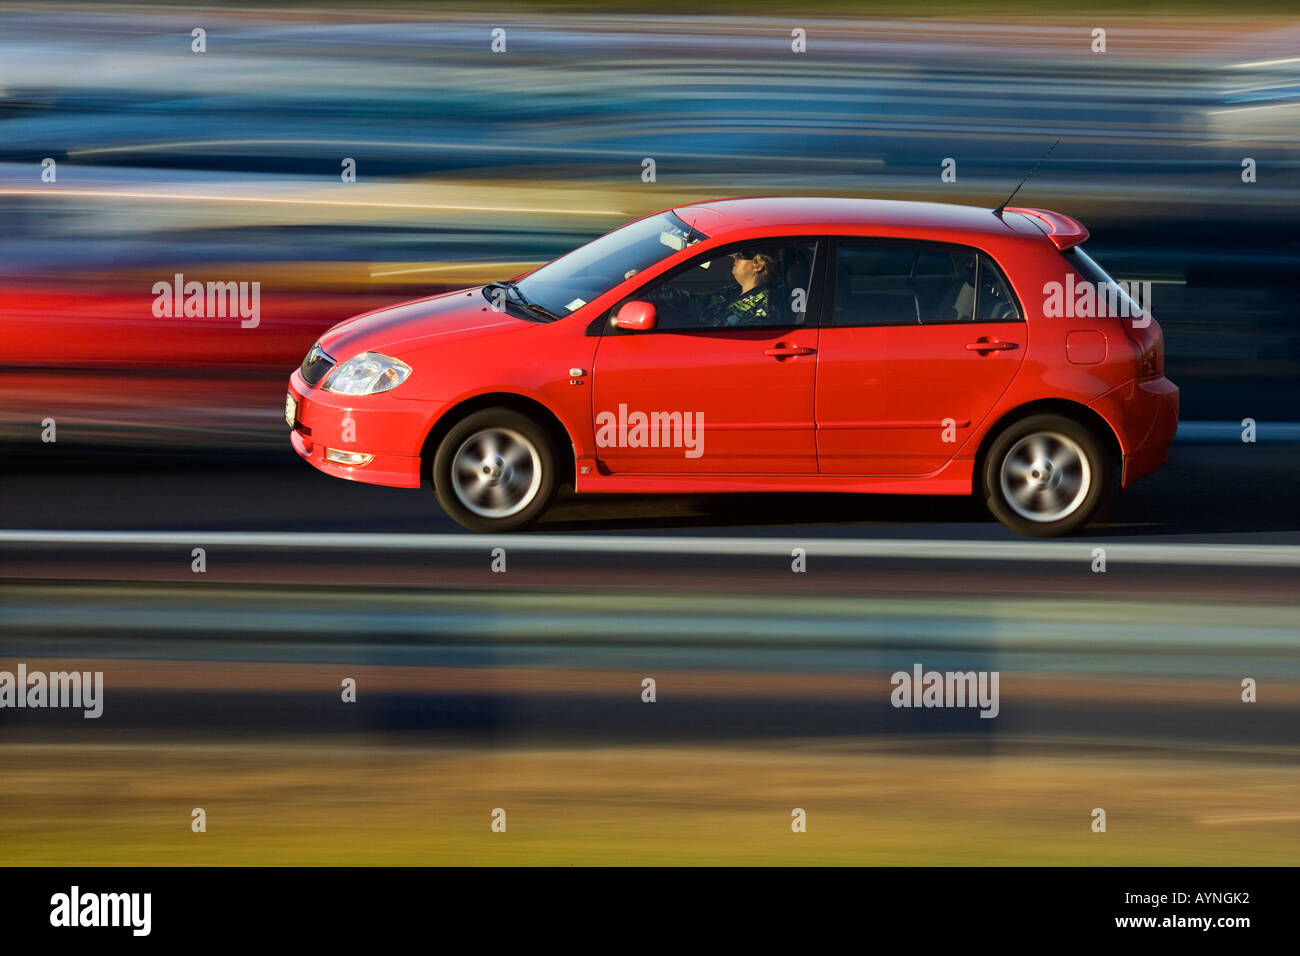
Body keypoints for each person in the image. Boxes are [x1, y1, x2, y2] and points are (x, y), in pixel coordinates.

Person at [650, 248, 787, 328]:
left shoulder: (765, 307)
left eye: (743, 255)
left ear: (759, 266)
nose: (735, 257)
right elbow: (695, 302)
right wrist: (653, 289)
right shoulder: (733, 291)